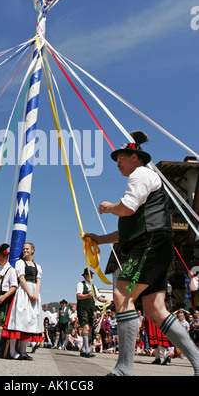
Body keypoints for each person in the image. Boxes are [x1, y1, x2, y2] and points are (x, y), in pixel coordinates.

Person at [83, 130, 199, 376]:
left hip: (150, 243)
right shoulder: (143, 178)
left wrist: (109, 207)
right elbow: (128, 228)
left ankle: (125, 367)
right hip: (153, 242)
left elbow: (125, 209)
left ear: (135, 157)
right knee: (155, 310)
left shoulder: (141, 174)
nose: (117, 164)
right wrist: (100, 239)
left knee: (122, 293)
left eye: (121, 158)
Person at [2, 242, 43, 360]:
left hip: (34, 291)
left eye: (27, 249)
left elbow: (38, 280)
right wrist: (29, 293)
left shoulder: (37, 266)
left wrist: (36, 293)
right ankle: (12, 351)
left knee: (29, 320)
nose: (25, 251)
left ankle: (23, 350)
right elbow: (21, 277)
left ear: (32, 250)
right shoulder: (20, 263)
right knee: (19, 319)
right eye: (24, 249)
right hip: (24, 292)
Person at [76, 268, 107, 358]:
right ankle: (86, 350)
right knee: (85, 327)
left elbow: (99, 297)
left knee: (89, 329)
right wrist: (87, 295)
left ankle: (84, 349)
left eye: (92, 275)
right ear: (85, 276)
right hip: (82, 309)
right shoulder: (80, 284)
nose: (91, 276)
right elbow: (78, 296)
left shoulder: (94, 287)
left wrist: (107, 301)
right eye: (90, 275)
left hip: (90, 309)